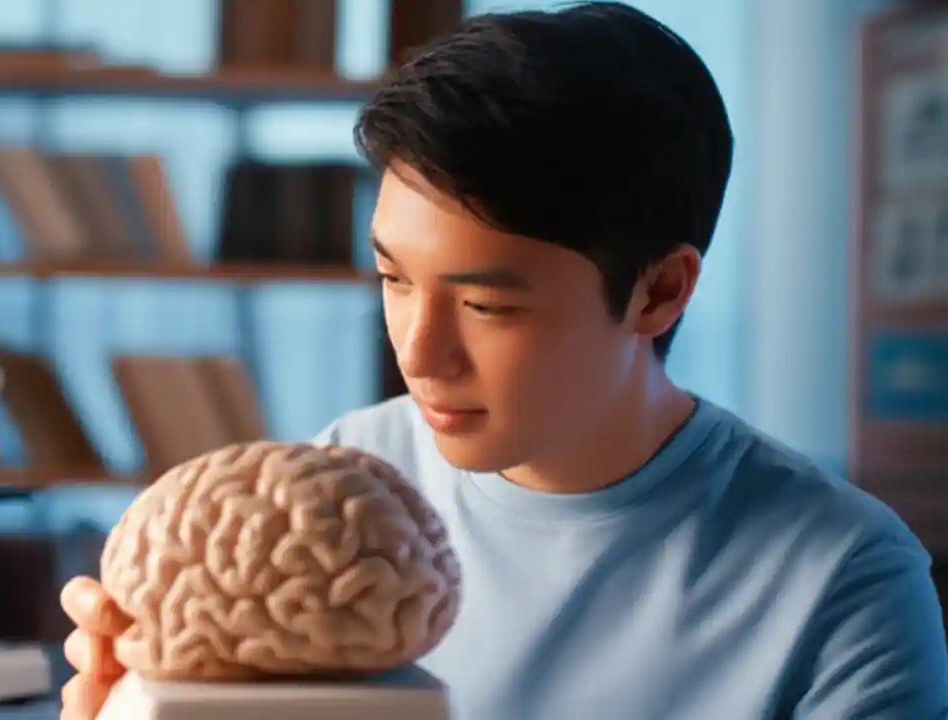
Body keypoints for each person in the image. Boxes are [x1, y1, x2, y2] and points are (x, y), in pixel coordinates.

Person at [58, 3, 948, 718]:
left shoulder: (843, 586)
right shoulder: (347, 484)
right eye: (392, 278)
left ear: (660, 292)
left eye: (487, 305)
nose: (418, 353)